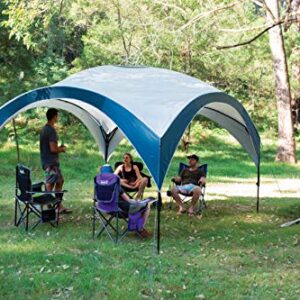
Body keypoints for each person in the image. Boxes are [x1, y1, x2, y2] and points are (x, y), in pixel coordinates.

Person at [39, 108, 72, 214]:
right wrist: (61, 149)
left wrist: (58, 148)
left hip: (47, 161)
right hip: (51, 163)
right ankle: (48, 206)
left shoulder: (44, 129)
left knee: (60, 181)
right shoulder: (51, 130)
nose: (58, 117)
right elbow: (53, 149)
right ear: (54, 116)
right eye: (57, 115)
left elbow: (49, 147)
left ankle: (58, 205)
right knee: (50, 183)